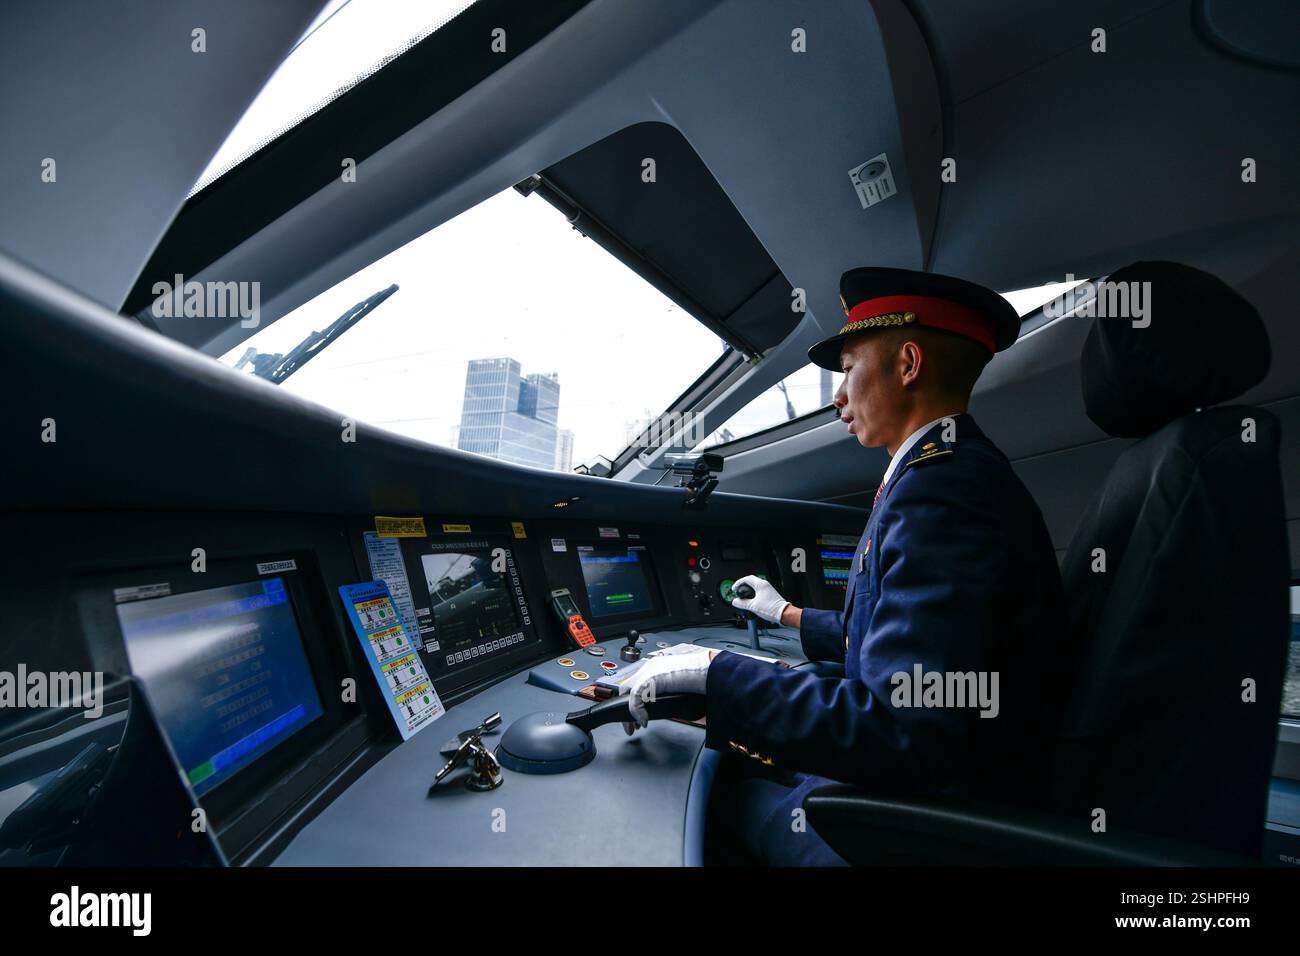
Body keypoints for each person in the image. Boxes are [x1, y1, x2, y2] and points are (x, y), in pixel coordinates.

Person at [621, 267, 1067, 865]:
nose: (837, 396)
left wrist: (715, 671)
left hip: (928, 820)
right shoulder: (946, 470)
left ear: (907, 364)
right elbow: (898, 643)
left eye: (849, 369)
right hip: (941, 783)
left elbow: (901, 725)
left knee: (709, 800)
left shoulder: (945, 488)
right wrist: (788, 614)